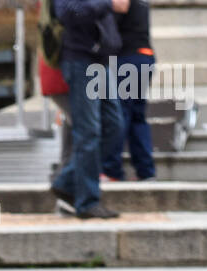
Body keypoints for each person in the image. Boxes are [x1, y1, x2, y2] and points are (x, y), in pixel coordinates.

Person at [50, 0, 129, 219]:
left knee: (114, 125)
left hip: (100, 60)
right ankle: (87, 202)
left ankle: (66, 181)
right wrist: (108, 4)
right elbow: (67, 11)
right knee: (88, 132)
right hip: (80, 60)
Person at [101, 0, 156, 181]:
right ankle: (145, 170)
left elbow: (110, 20)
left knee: (120, 114)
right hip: (145, 55)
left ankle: (111, 169)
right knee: (137, 116)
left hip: (128, 57)